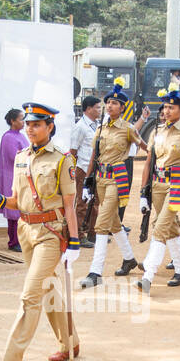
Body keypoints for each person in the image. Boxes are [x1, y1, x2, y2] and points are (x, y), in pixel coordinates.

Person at [0, 102, 81, 361]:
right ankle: (70, 342)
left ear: (50, 127)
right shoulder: (22, 157)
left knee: (30, 296)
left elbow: (70, 205)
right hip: (26, 232)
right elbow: (16, 201)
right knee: (47, 290)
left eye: (37, 124)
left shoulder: (62, 159)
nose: (31, 129)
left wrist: (74, 242)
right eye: (29, 124)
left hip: (51, 232)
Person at [78, 80, 150, 286]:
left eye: (115, 103)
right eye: (108, 102)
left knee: (102, 224)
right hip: (100, 179)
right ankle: (129, 259)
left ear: (123, 107)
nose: (110, 106)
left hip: (117, 180)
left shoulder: (128, 129)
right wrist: (87, 182)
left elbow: (146, 148)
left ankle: (95, 272)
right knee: (113, 223)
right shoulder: (100, 129)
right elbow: (94, 155)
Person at [137, 83, 180, 292]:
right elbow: (149, 161)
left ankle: (148, 276)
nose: (167, 111)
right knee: (169, 227)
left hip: (177, 184)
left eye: (172, 108)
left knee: (160, 226)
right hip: (158, 184)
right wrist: (143, 191)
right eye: (165, 107)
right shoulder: (156, 131)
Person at [71, 95, 101, 247]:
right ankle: (79, 235)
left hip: (96, 169)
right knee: (82, 203)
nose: (100, 110)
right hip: (83, 168)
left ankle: (91, 232)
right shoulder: (80, 126)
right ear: (88, 109)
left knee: (95, 202)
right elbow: (73, 151)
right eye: (97, 107)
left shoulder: (97, 125)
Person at [0, 108, 27, 252]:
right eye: (21, 119)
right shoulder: (9, 137)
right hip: (12, 178)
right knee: (14, 212)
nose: (24, 122)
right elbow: (14, 157)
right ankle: (13, 241)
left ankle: (21, 240)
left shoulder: (21, 136)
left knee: (22, 210)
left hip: (23, 177)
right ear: (12, 121)